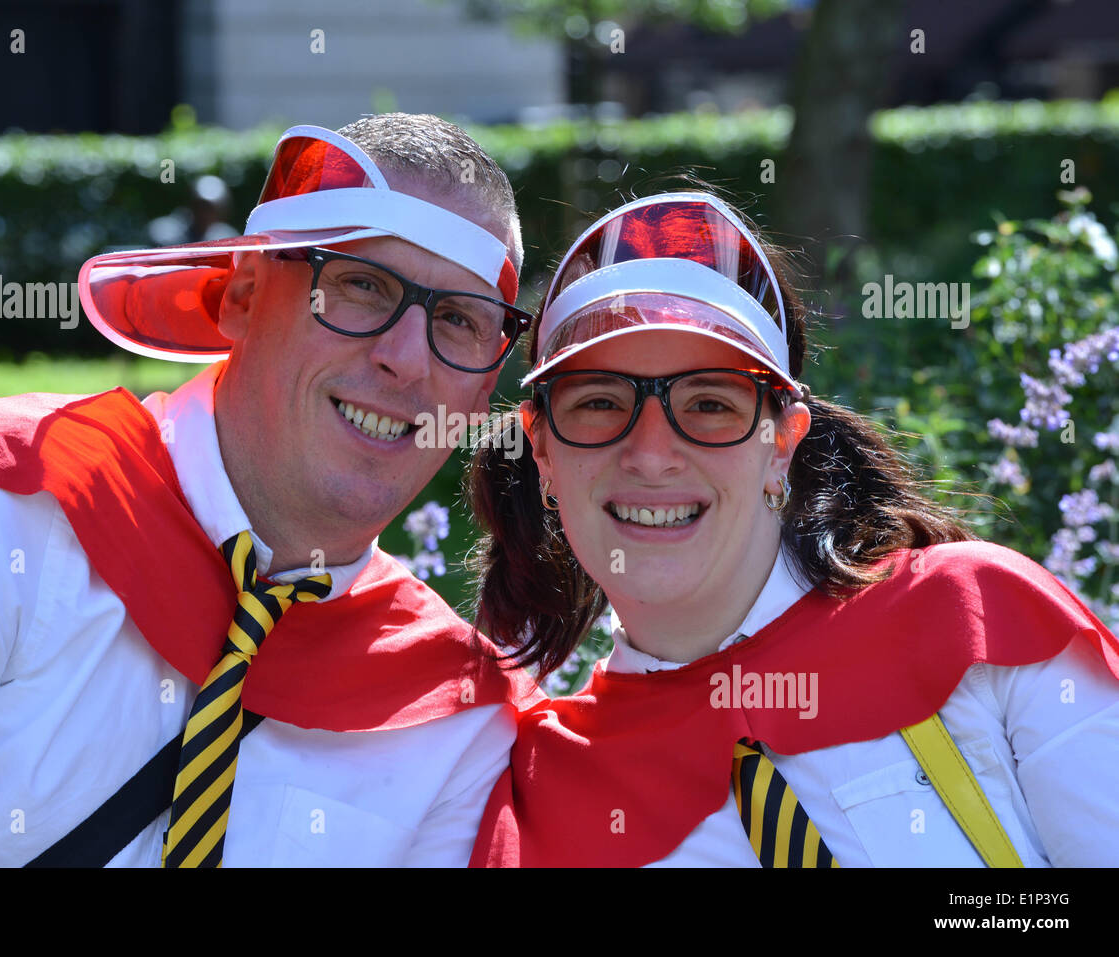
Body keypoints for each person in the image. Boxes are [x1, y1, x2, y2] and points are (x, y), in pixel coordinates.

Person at [0, 114, 536, 867]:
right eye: (361, 285)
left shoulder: (454, 715)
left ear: (488, 379)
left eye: (458, 320)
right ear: (243, 297)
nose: (404, 360)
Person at [466, 190, 1119, 867]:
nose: (652, 453)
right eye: (600, 402)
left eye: (710, 403)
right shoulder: (544, 795)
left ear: (782, 442)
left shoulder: (978, 617)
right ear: (542, 450)